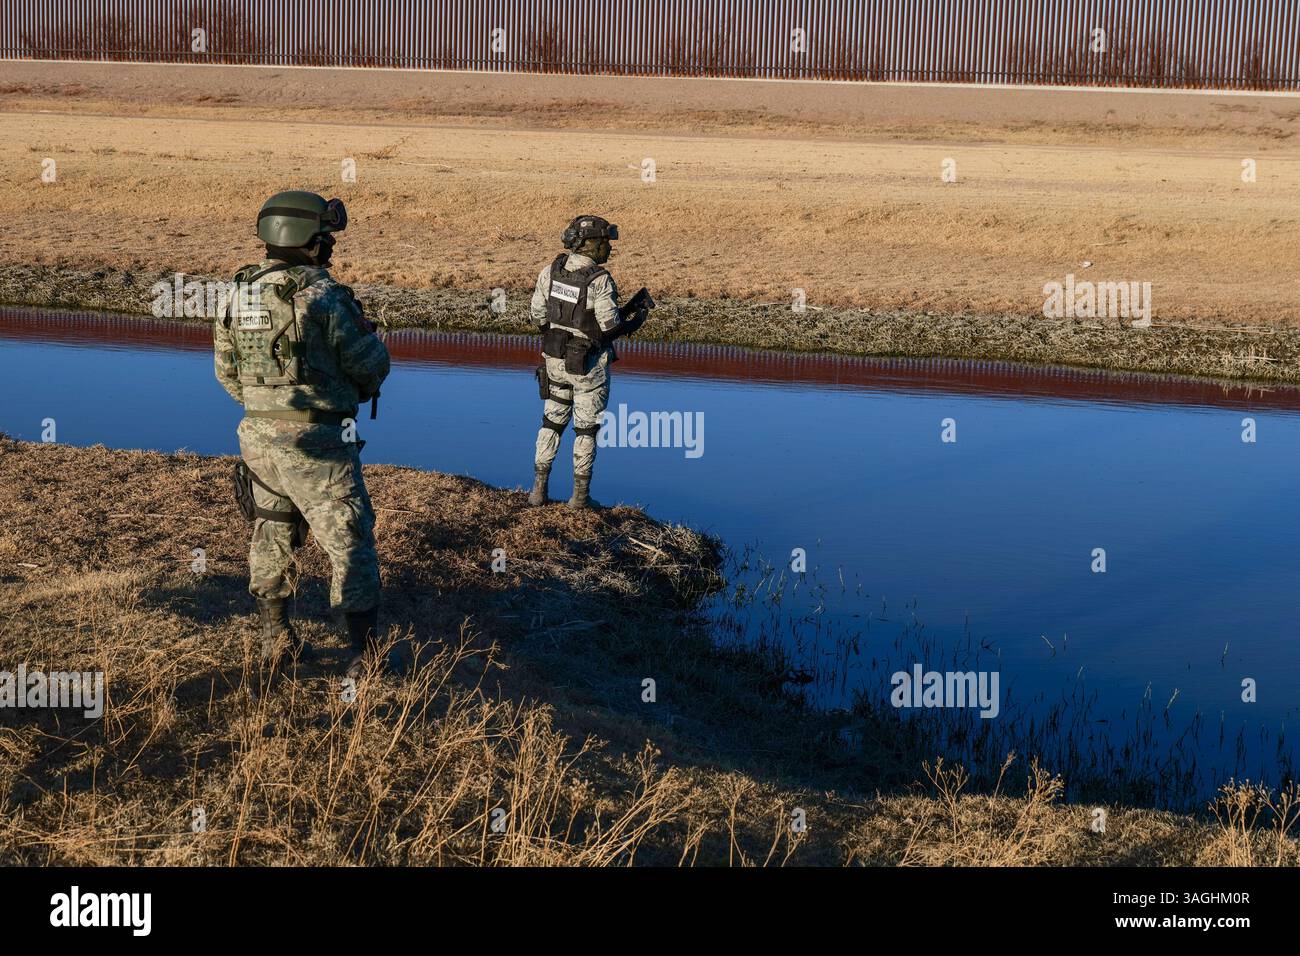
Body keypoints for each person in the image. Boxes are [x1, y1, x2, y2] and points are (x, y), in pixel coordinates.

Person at [213, 190, 390, 678]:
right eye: (325, 237)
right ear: (305, 238)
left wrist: (269, 409)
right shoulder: (325, 296)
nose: (330, 247)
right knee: (350, 540)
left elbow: (228, 375)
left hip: (257, 438)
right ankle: (362, 656)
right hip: (317, 444)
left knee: (272, 530)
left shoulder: (238, 292)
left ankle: (277, 639)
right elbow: (369, 367)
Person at [527, 215, 649, 509]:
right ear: (590, 244)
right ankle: (579, 498)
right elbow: (609, 326)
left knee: (551, 423)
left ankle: (537, 491)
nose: (609, 248)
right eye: (605, 242)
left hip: (555, 360)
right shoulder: (600, 280)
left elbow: (537, 316)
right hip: (589, 368)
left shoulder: (551, 271)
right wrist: (637, 319)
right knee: (586, 430)